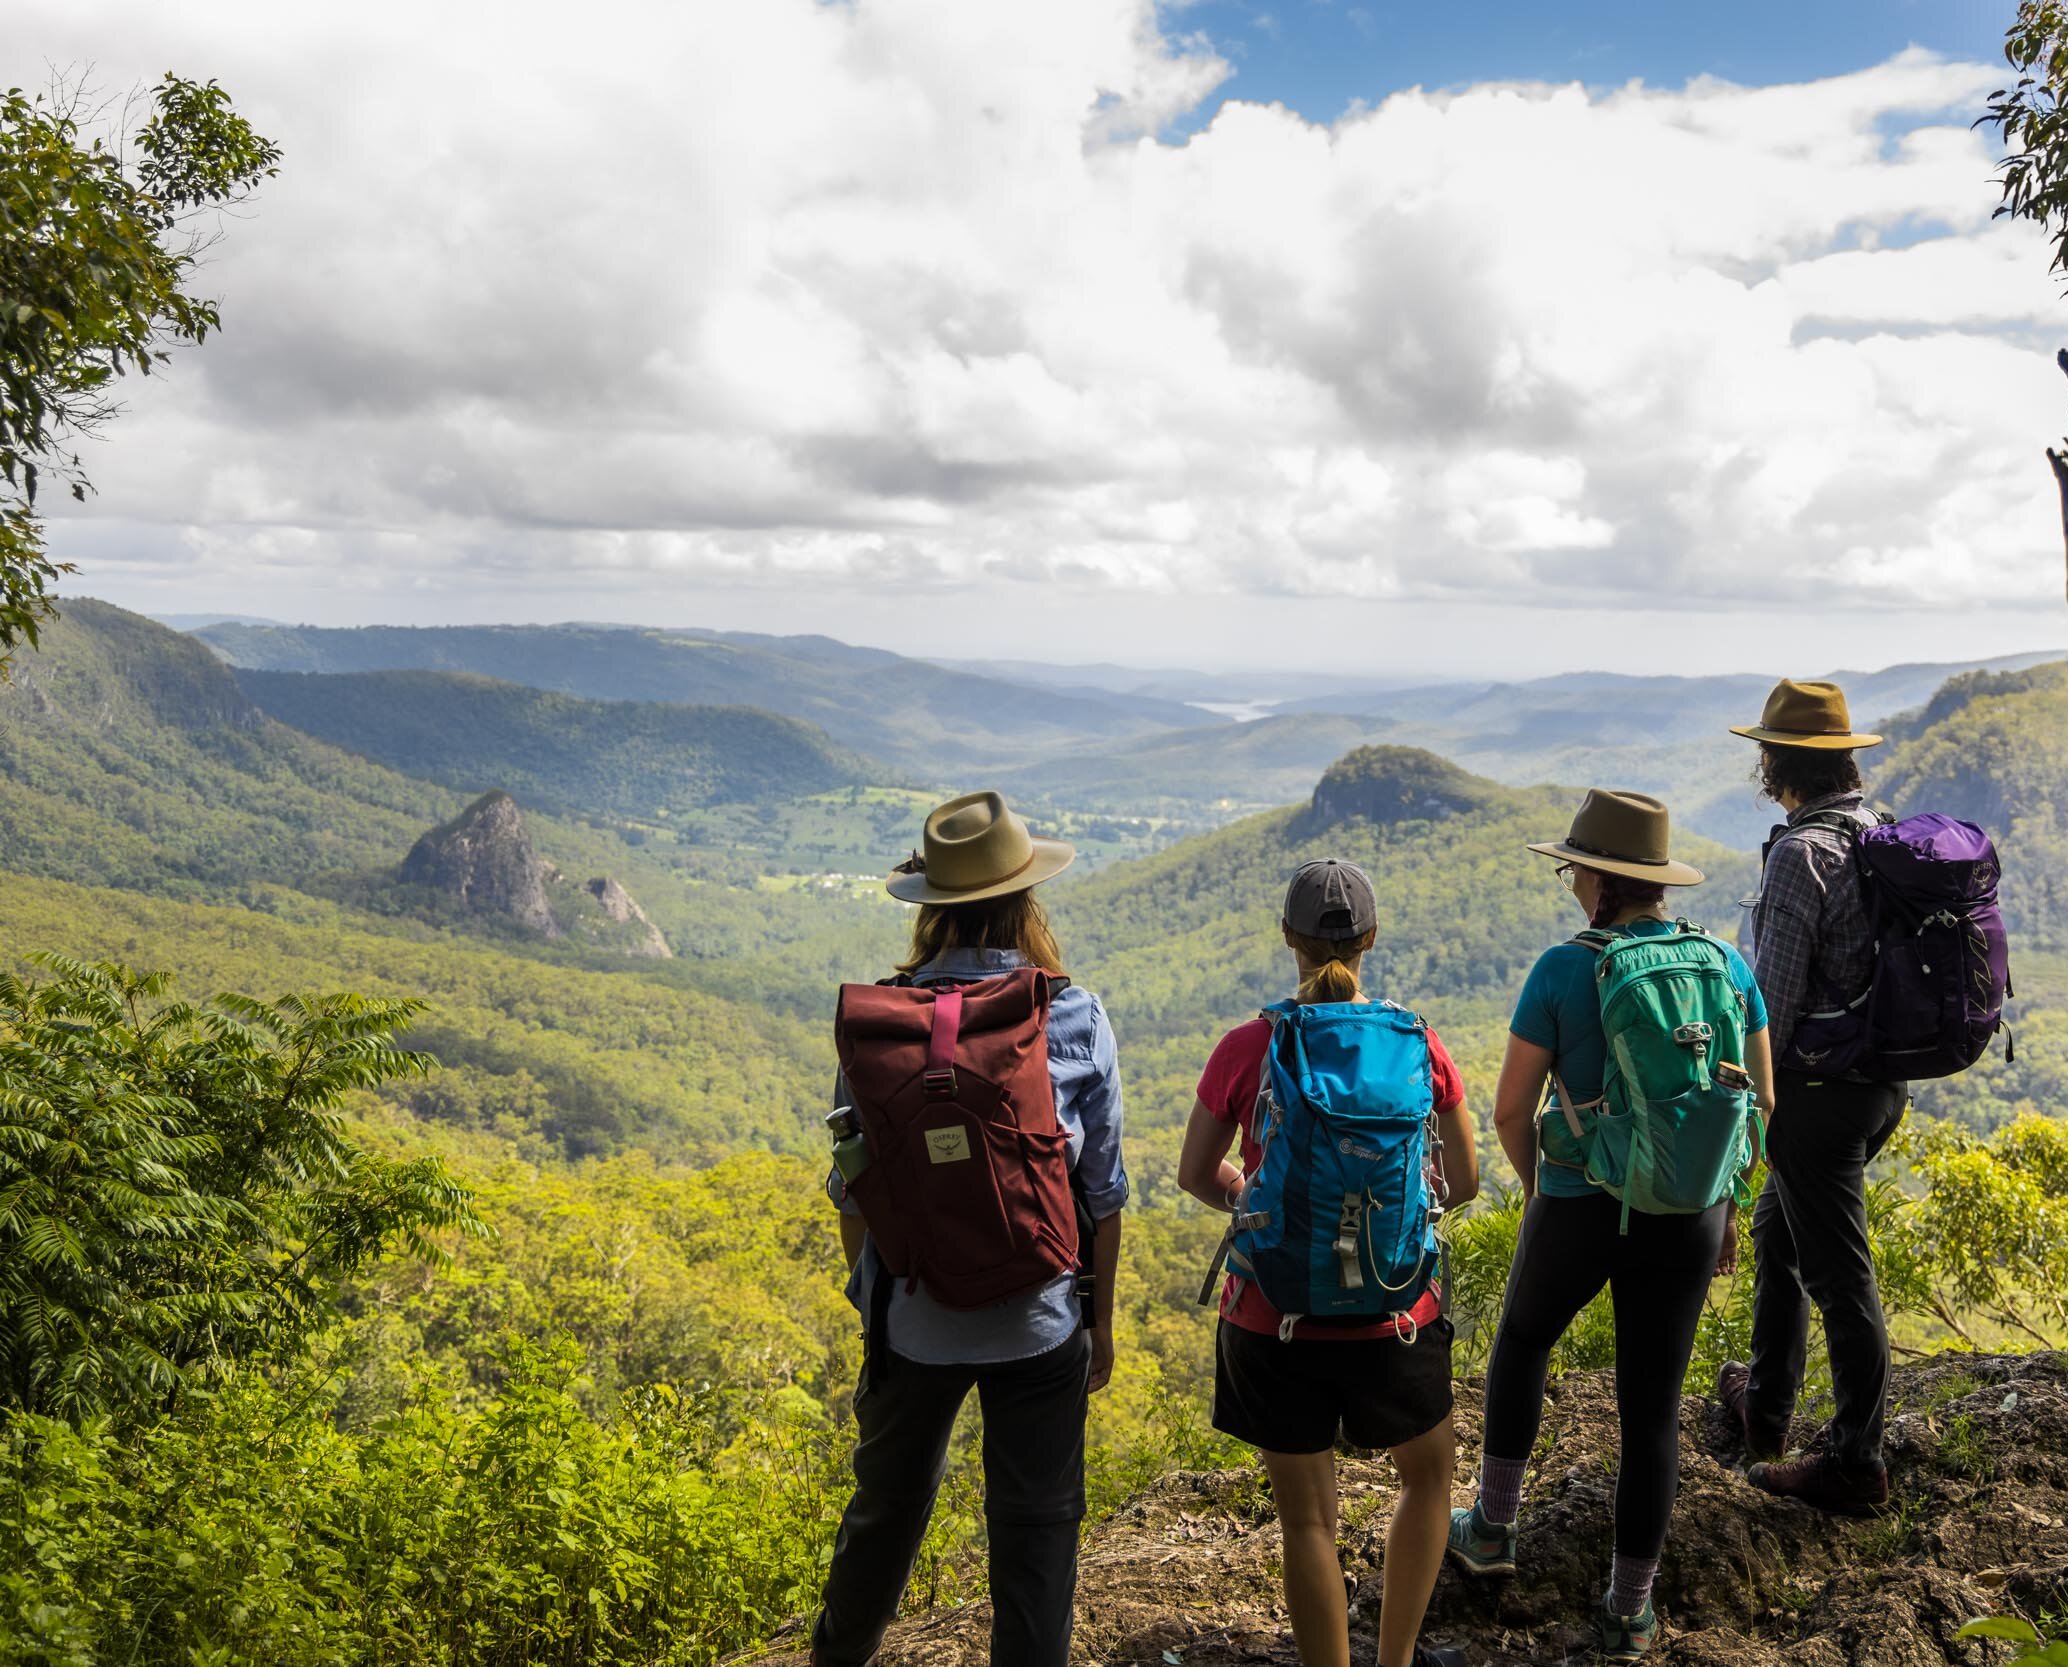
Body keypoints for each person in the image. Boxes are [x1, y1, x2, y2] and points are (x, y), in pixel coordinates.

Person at [1445, 790, 1773, 1662]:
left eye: (1575, 869)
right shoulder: (1725, 967)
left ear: (1602, 880)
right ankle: (1629, 1610)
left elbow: (1510, 1109)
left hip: (1581, 1200)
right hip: (1690, 1212)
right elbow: (1760, 1106)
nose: (1571, 881)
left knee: (1523, 1340)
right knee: (1652, 1409)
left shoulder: (1563, 969)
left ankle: (1493, 1528)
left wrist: (1542, 1189)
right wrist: (1726, 1205)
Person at [813, 791, 1128, 1667]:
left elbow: (853, 1193)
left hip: (913, 1317)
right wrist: (1099, 1324)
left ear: (931, 908)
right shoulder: (1072, 1013)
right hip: (1040, 1318)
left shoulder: (879, 1025)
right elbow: (1103, 1193)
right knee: (1036, 1536)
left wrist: (879, 1307)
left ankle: (839, 1656)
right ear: (1025, 898)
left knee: (884, 1514)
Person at [1178, 857, 1477, 1667]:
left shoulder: (1249, 1045)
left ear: (1289, 937)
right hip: (1396, 1313)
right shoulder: (1418, 1042)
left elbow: (1196, 1172)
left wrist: (1253, 1193)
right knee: (1428, 1478)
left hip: (1275, 1315)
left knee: (1308, 1520)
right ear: (1372, 938)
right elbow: (1465, 1179)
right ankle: (1396, 1658)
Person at [1716, 679, 1906, 1516]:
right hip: (1879, 1084)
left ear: (1776, 763)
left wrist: (1738, 1104)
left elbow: (1773, 1007)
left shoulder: (1802, 855)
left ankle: (1855, 1462)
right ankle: (1765, 1406)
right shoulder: (1876, 830)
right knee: (1778, 1231)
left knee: (1839, 1277)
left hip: (1820, 1097)